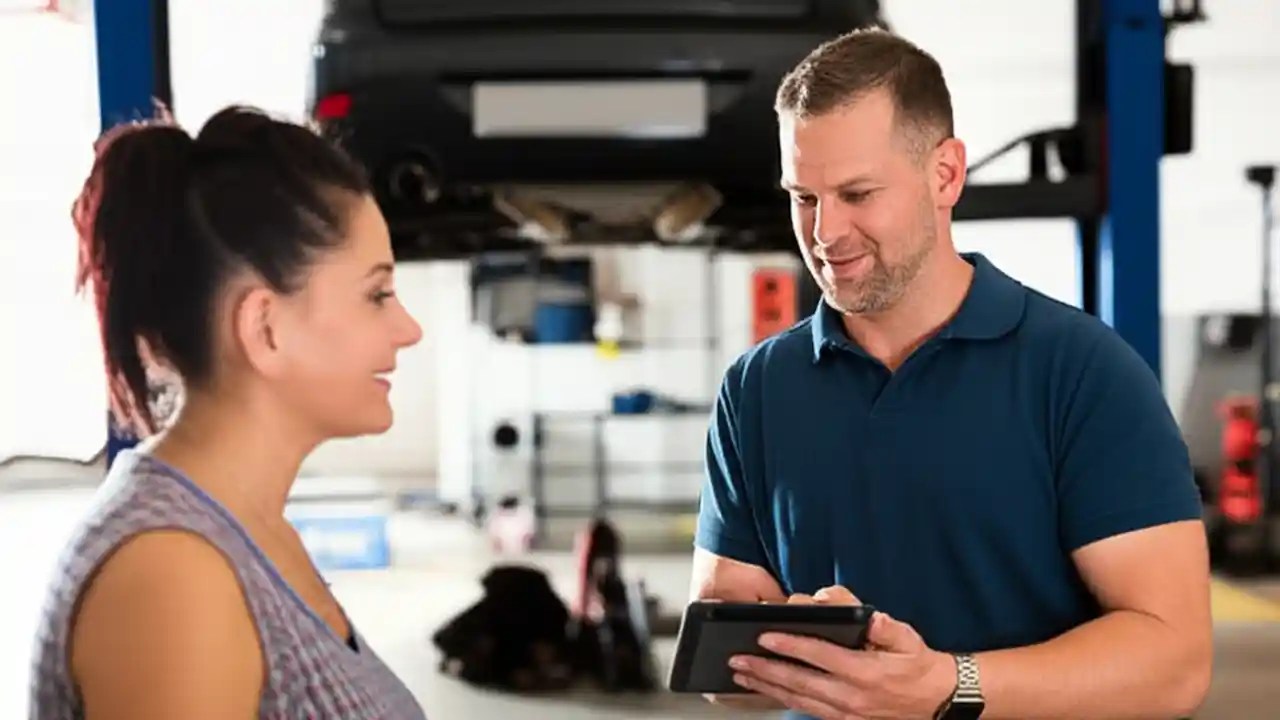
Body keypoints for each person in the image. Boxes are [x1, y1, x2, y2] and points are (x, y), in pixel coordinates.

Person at [691, 28, 1212, 720]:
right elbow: (721, 665)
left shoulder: (1083, 371)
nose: (824, 234)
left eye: (857, 193)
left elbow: (1174, 663)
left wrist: (946, 685)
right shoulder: (756, 390)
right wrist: (807, 646)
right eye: (804, 197)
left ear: (946, 175)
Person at [29, 106, 426, 719]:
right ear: (264, 327)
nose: (409, 330)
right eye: (377, 295)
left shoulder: (248, 533)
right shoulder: (174, 577)